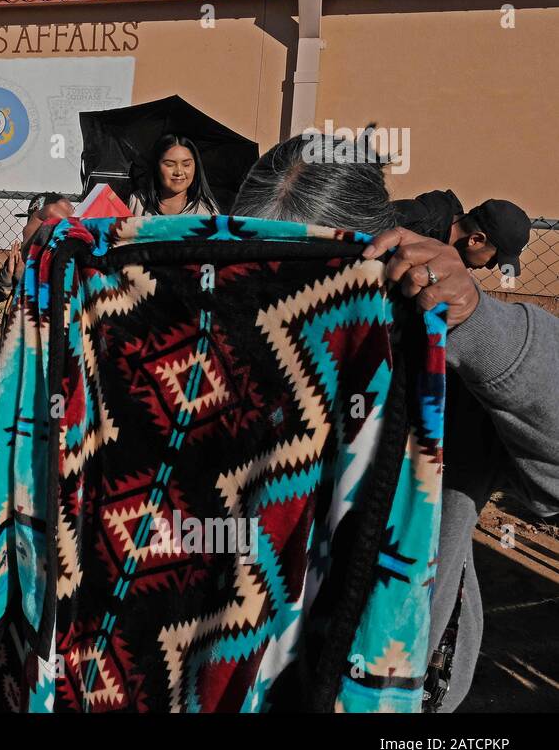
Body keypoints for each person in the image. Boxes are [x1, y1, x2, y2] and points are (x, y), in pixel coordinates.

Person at [233, 134, 559, 712]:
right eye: (262, 277)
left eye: (319, 287)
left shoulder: (437, 355)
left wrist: (478, 329)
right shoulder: (190, 328)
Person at [394, 189, 531, 272]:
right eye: (494, 260)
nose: (489, 267)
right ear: (475, 240)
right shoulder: (411, 222)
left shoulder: (445, 253)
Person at [0, 192, 73, 306]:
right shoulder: (20, 256)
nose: (27, 227)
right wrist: (8, 275)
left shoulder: (65, 256)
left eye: (37, 223)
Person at [127, 134, 221, 216]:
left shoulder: (207, 211)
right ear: (156, 166)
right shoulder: (138, 201)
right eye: (169, 164)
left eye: (186, 164)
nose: (179, 172)